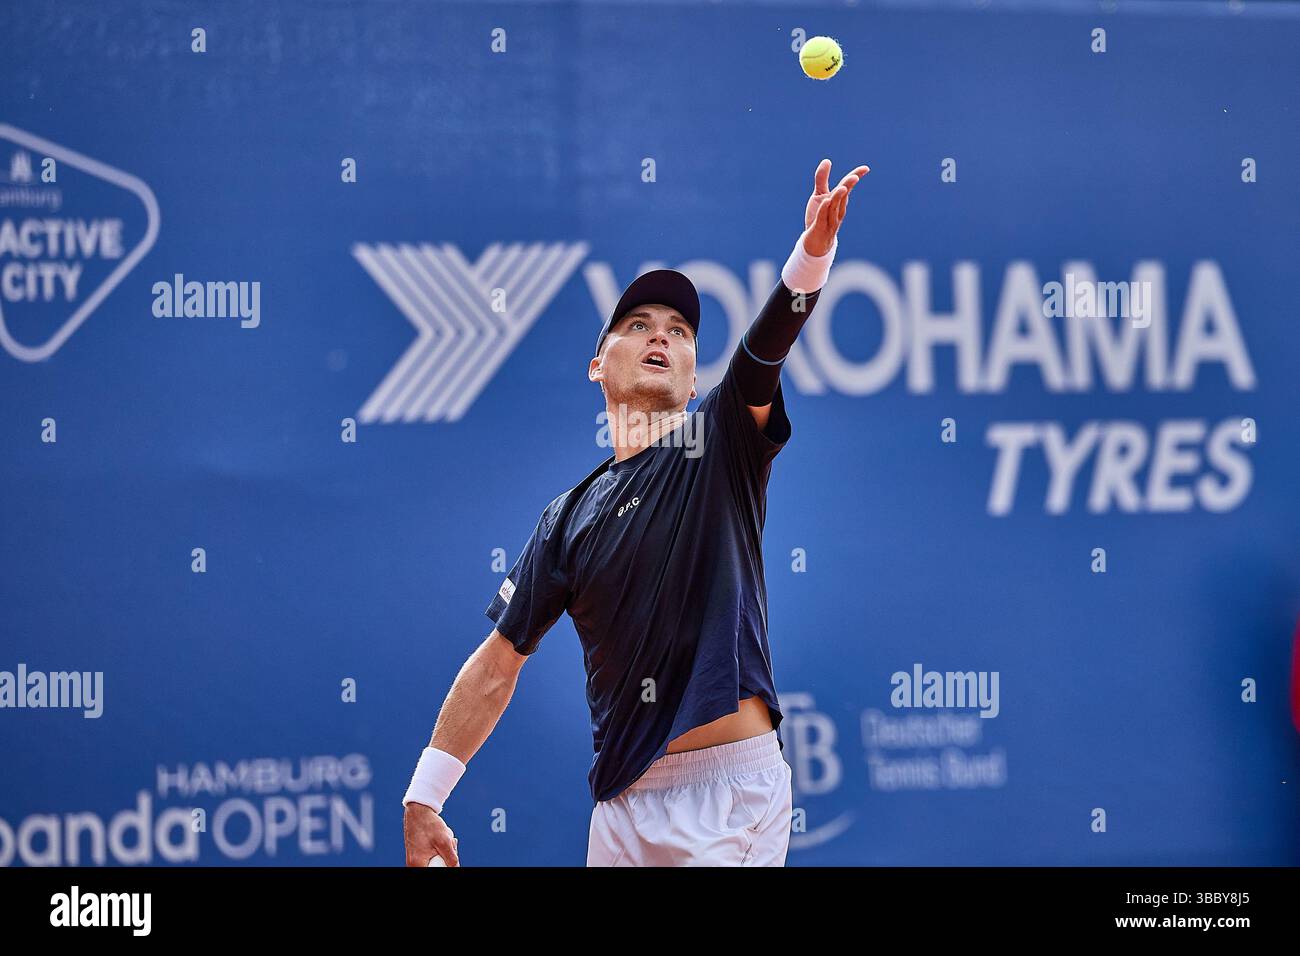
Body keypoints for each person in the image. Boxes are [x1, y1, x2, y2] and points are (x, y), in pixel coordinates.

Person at [403, 159, 869, 867]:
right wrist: (425, 796)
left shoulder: (719, 441)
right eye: (640, 325)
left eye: (681, 331)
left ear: (692, 370)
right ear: (598, 366)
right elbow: (497, 665)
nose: (663, 336)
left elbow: (765, 349)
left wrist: (812, 255)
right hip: (622, 808)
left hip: (728, 800)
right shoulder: (565, 520)